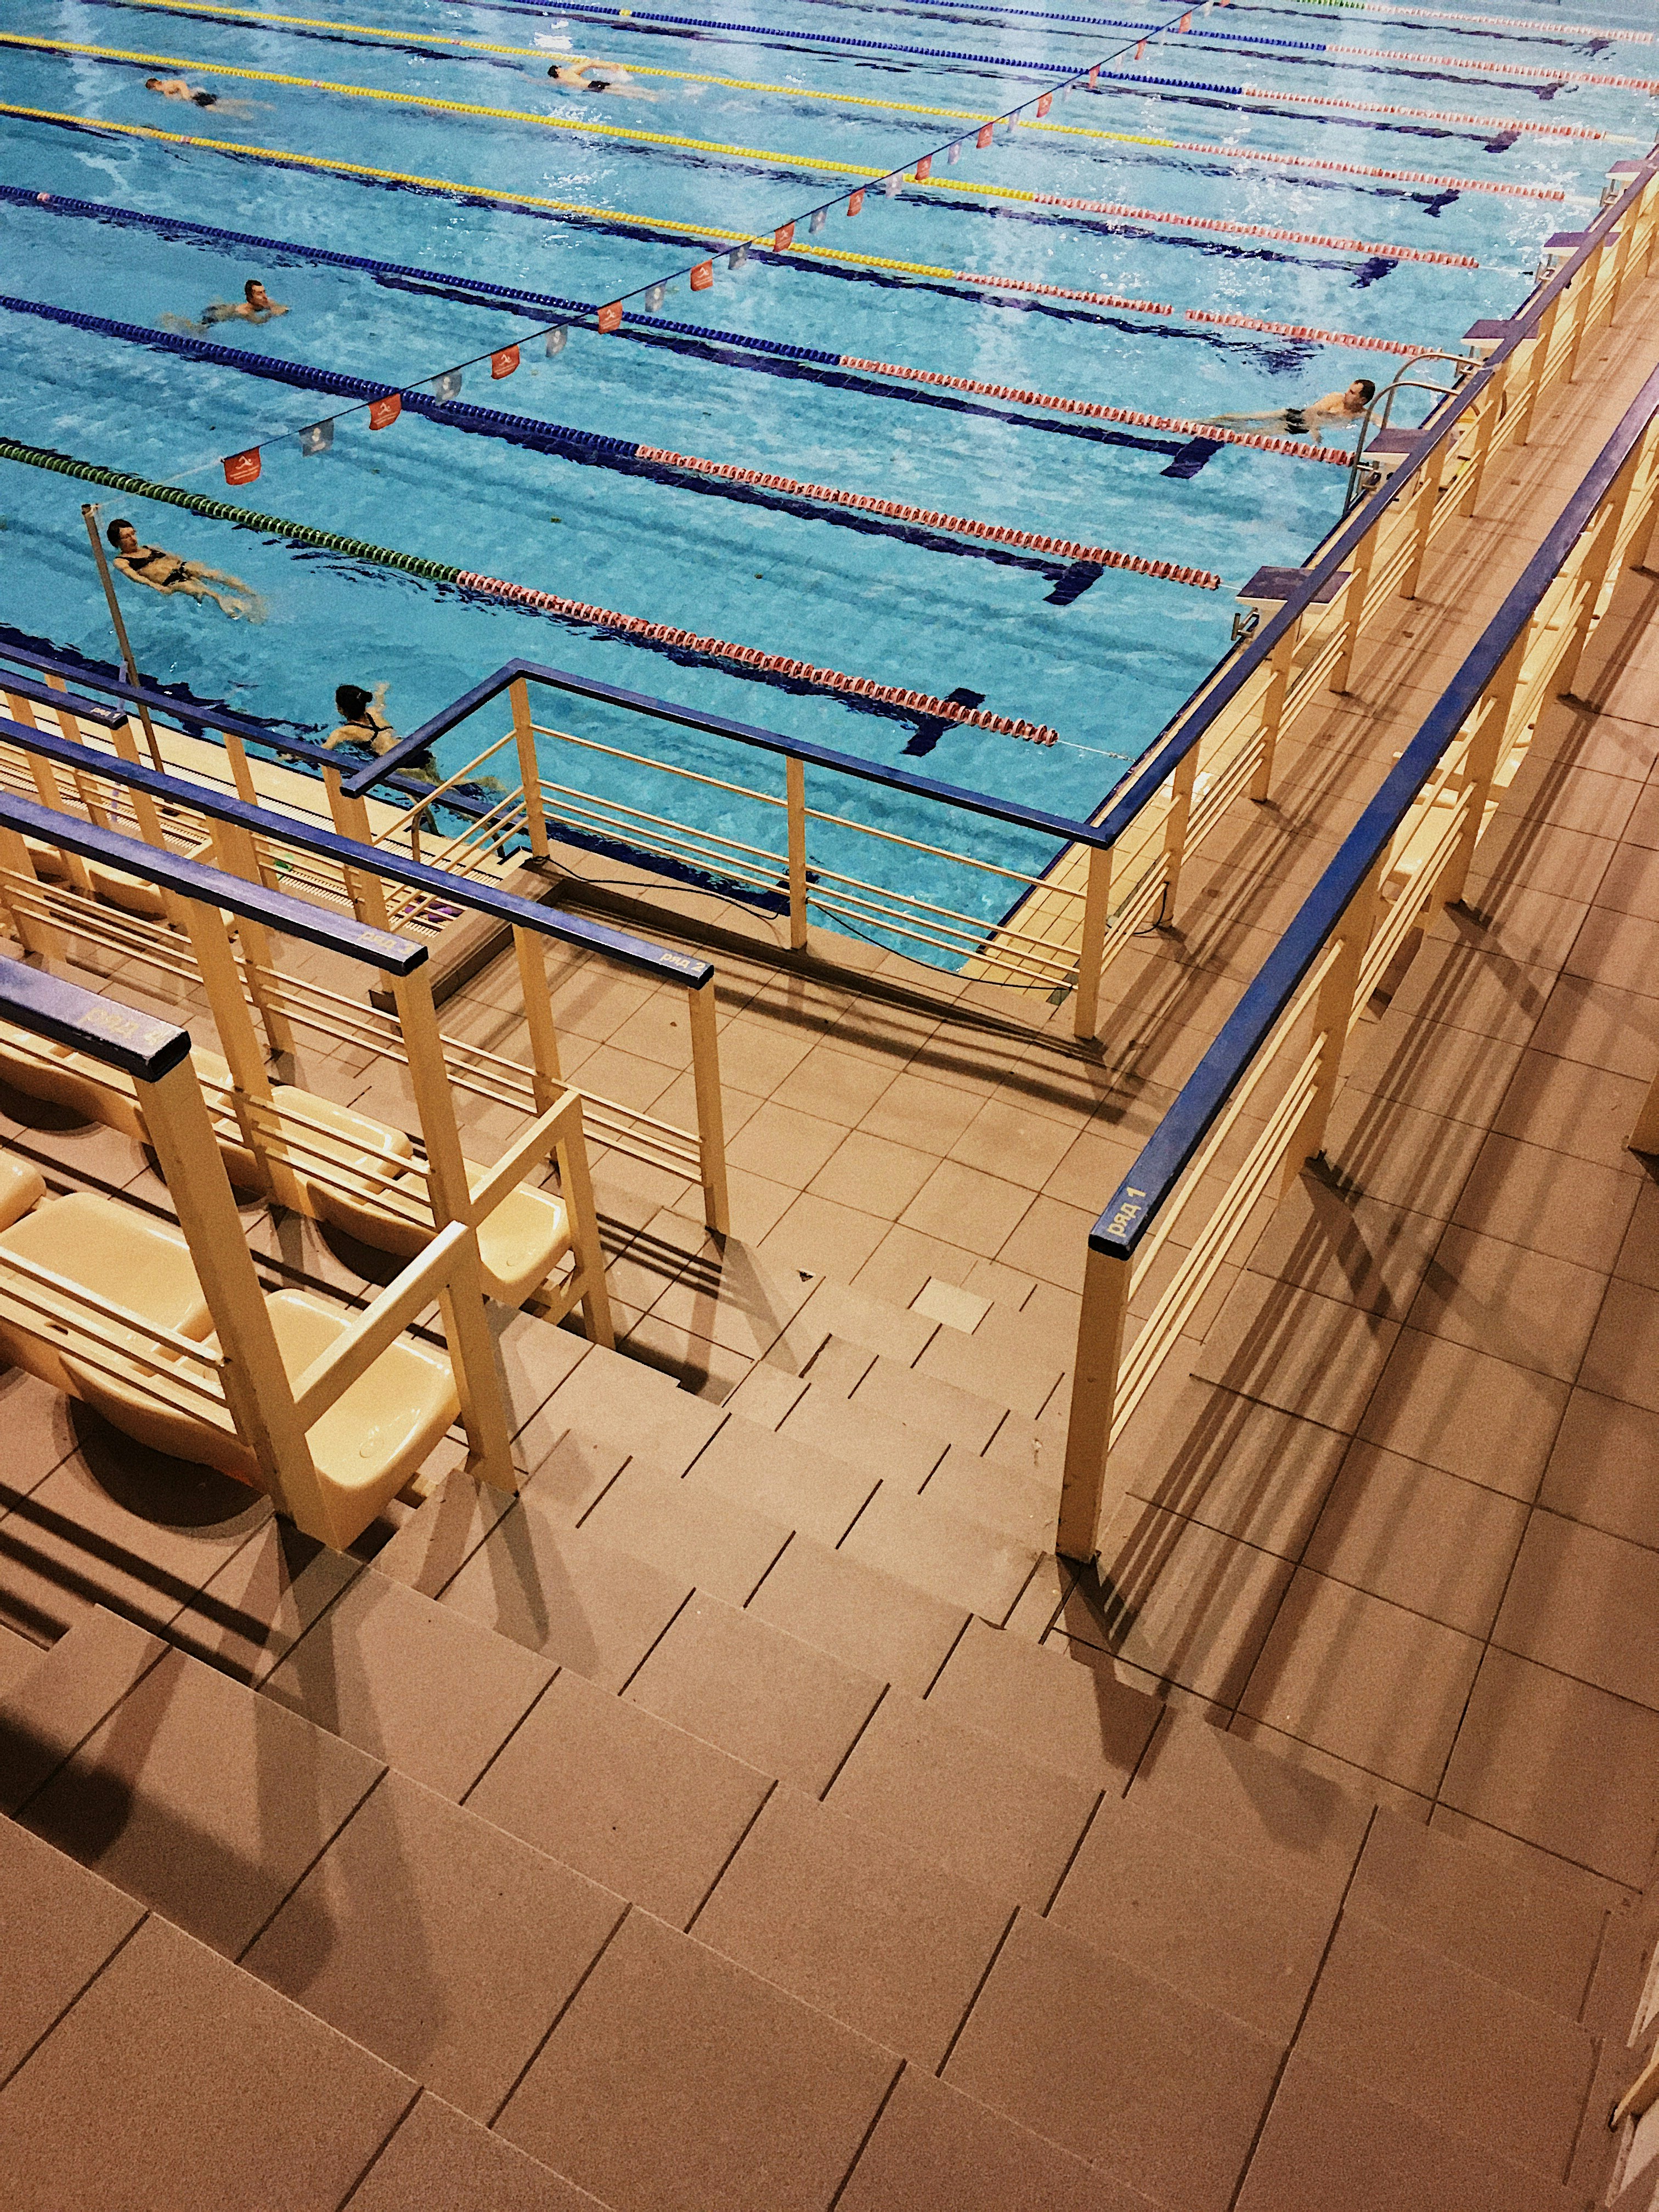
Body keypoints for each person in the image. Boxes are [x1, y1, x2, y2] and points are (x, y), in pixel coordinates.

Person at [106, 518, 264, 619]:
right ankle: (237, 610)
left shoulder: (151, 547)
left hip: (183, 568)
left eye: (133, 534)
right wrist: (156, 587)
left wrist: (190, 568)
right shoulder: (121, 561)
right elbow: (136, 577)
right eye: (127, 537)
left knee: (216, 575)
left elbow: (175, 557)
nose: (133, 539)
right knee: (203, 592)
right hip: (171, 581)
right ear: (117, 543)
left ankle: (252, 594)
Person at [323, 684, 439, 780]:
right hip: (418, 751)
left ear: (340, 709)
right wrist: (381, 691)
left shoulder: (343, 732)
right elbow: (380, 702)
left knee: (433, 794)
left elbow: (321, 752)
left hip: (400, 764)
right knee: (441, 785)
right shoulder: (374, 712)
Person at [1209, 377, 1376, 443]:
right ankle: (1212, 421)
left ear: (1362, 400)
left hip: (1298, 429)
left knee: (1253, 433)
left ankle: (1217, 431)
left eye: (1352, 393)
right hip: (1298, 418)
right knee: (1247, 418)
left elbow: (1383, 422)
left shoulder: (1361, 414)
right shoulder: (1336, 398)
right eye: (1349, 389)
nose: (1347, 393)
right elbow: (1311, 412)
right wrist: (1314, 430)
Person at [162, 279, 287, 336]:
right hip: (217, 315)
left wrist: (279, 309)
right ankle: (171, 319)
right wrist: (271, 315)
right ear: (250, 297)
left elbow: (282, 308)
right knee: (197, 331)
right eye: (260, 294)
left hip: (224, 307)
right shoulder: (245, 312)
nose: (265, 296)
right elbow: (259, 323)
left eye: (264, 292)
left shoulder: (267, 301)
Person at [144, 72, 257, 116]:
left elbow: (181, 83)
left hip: (197, 96)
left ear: (157, 84)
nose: (156, 91)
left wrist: (185, 95)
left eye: (155, 89)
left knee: (221, 105)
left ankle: (248, 111)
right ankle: (245, 113)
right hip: (196, 99)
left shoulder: (168, 84)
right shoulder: (165, 90)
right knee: (217, 106)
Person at [546, 58, 656, 97]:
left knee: (622, 93)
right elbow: (590, 63)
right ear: (557, 70)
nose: (562, 68)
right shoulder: (570, 71)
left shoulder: (559, 82)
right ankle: (649, 93)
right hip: (593, 84)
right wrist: (610, 66)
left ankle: (647, 97)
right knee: (623, 89)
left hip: (590, 90)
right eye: (560, 67)